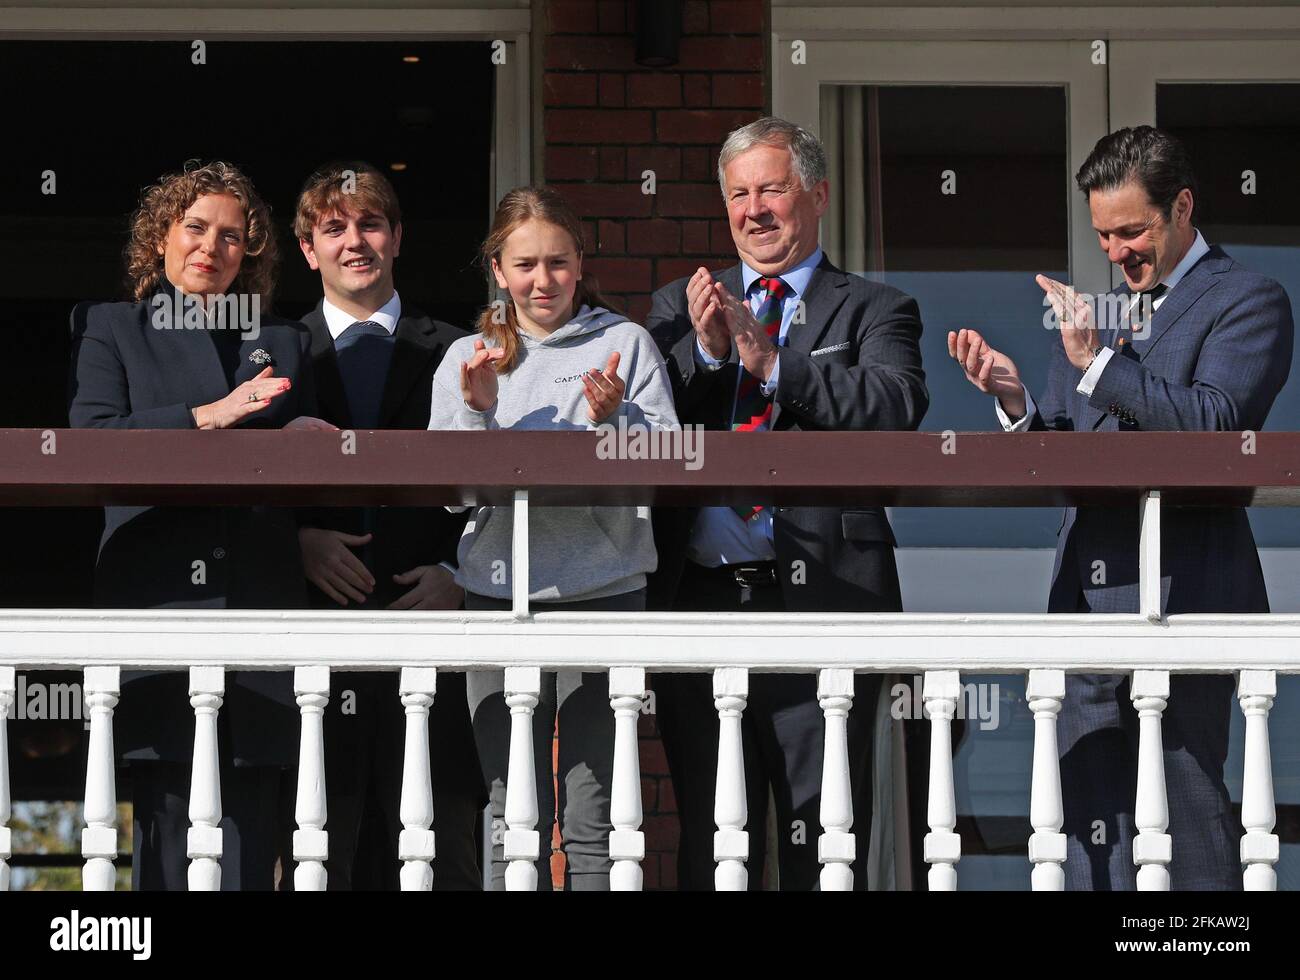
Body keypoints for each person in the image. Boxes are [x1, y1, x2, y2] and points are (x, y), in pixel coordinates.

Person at [948, 125, 1294, 890]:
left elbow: (1215, 424)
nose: (1116, 252)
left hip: (1185, 595)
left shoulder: (1248, 300)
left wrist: (1098, 362)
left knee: (1186, 802)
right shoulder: (1093, 315)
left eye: (1133, 230)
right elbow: (1073, 453)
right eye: (1103, 235)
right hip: (1086, 597)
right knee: (1087, 820)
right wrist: (1014, 401)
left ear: (1183, 208)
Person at [646, 116, 928, 890]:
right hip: (698, 603)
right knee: (712, 835)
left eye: (772, 188)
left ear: (818, 195)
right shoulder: (678, 305)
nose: (754, 209)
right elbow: (642, 423)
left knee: (823, 835)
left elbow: (896, 405)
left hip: (824, 604)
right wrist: (706, 354)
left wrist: (774, 362)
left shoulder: (875, 307)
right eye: (738, 194)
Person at [68, 159, 324, 890]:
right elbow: (88, 441)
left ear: (250, 254)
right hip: (158, 605)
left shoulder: (283, 341)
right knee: (165, 835)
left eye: (233, 237)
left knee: (248, 840)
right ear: (160, 238)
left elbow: (302, 479)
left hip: (260, 608)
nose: (212, 246)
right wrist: (205, 418)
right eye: (195, 228)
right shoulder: (112, 328)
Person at [427, 185, 678, 890]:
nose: (544, 281)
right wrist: (479, 416)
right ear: (499, 270)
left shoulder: (625, 343)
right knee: (512, 814)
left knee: (595, 816)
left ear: (580, 264)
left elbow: (662, 470)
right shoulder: (467, 357)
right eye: (526, 265)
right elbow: (450, 498)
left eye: (559, 263)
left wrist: (614, 420)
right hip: (498, 596)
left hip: (607, 592)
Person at [292, 161, 485, 889]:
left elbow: (496, 483)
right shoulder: (274, 354)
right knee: (321, 864)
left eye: (370, 223)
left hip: (435, 648)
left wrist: (464, 576)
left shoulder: (460, 351)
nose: (354, 242)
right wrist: (297, 544)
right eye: (333, 228)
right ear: (308, 249)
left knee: (446, 866)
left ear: (398, 237)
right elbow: (238, 499)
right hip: (316, 654)